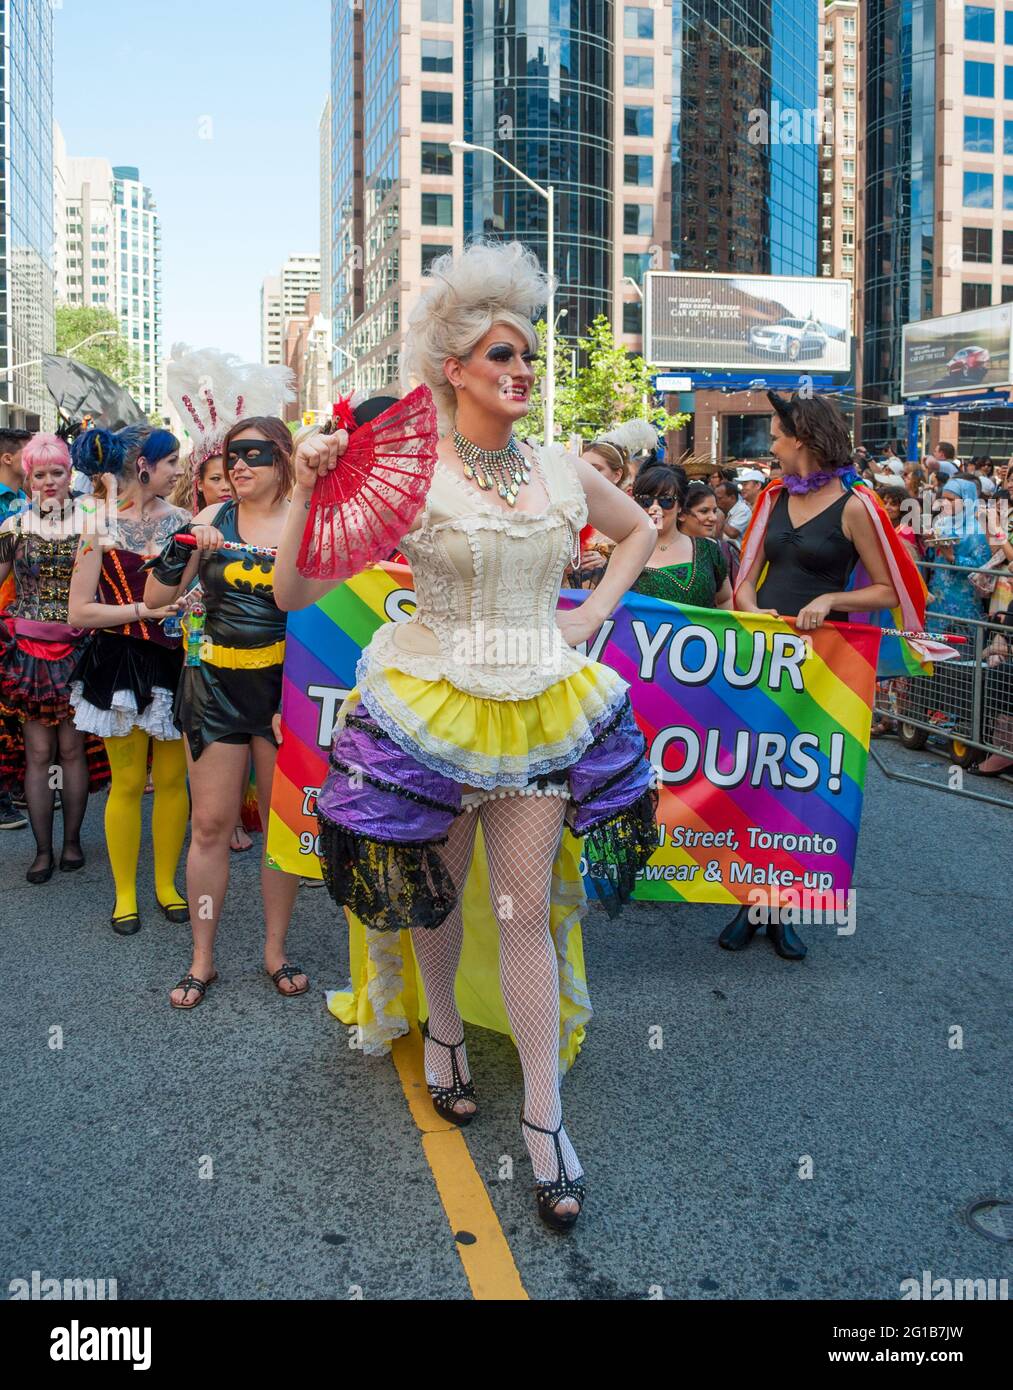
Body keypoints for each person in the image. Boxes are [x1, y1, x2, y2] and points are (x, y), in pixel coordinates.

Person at [273, 240, 658, 1232]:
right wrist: (309, 492)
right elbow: (294, 591)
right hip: (432, 707)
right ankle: (442, 1034)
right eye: (500, 355)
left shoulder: (562, 469)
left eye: (527, 355)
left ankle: (543, 1121)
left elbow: (641, 536)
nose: (520, 371)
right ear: (453, 368)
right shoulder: (407, 478)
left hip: (537, 705)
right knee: (436, 894)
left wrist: (586, 615)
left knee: (524, 909)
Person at [730, 391, 917, 960]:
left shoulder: (857, 506)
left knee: (799, 785)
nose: (773, 444)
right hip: (764, 659)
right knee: (753, 778)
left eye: (779, 436)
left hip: (823, 668)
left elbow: (889, 588)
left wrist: (834, 597)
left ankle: (783, 905)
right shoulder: (771, 498)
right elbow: (744, 576)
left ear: (804, 440)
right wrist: (750, 610)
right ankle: (747, 900)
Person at [145, 416, 306, 1009]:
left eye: (253, 455)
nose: (238, 466)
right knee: (210, 826)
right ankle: (202, 958)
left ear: (284, 459)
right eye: (232, 456)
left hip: (282, 695)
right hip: (212, 685)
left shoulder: (307, 523)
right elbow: (158, 599)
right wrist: (182, 546)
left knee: (280, 827)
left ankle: (275, 951)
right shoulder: (211, 517)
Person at [67, 426, 190, 935]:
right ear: (143, 464)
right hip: (119, 663)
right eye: (170, 463)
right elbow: (78, 611)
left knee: (172, 779)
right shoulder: (95, 524)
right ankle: (125, 893)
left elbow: (197, 591)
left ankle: (166, 884)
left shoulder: (184, 521)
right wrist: (145, 608)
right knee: (129, 781)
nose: (179, 471)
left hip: (174, 662)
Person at [0, 435, 110, 881]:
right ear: (29, 478)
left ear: (69, 475)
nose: (49, 482)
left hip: (78, 649)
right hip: (28, 652)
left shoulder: (92, 522)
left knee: (71, 749)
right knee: (39, 753)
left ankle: (71, 843)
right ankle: (42, 850)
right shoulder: (13, 528)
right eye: (40, 474)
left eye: (57, 473)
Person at [632, 467, 733, 607]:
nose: (654, 508)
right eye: (646, 501)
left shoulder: (709, 550)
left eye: (666, 500)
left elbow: (725, 599)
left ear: (680, 505)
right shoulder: (624, 551)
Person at [572, 420, 657, 585]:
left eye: (596, 469)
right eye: (582, 468)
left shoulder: (636, 518)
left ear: (617, 475)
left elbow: (649, 574)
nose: (586, 474)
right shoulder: (566, 512)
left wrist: (605, 565)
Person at [0, 426, 32, 832]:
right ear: (8, 458)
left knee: (17, 712)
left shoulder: (28, 503)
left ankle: (21, 784)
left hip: (22, 622)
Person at [925, 478, 993, 626]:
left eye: (951, 499)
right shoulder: (942, 523)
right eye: (943, 499)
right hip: (937, 598)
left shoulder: (976, 530)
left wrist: (953, 557)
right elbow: (934, 558)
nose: (945, 503)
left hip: (963, 601)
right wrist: (931, 543)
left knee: (962, 645)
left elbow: (982, 566)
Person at [715, 477, 752, 554]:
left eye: (719, 498)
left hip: (738, 555)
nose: (716, 502)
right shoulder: (724, 510)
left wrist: (719, 516)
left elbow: (732, 533)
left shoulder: (743, 510)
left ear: (732, 498)